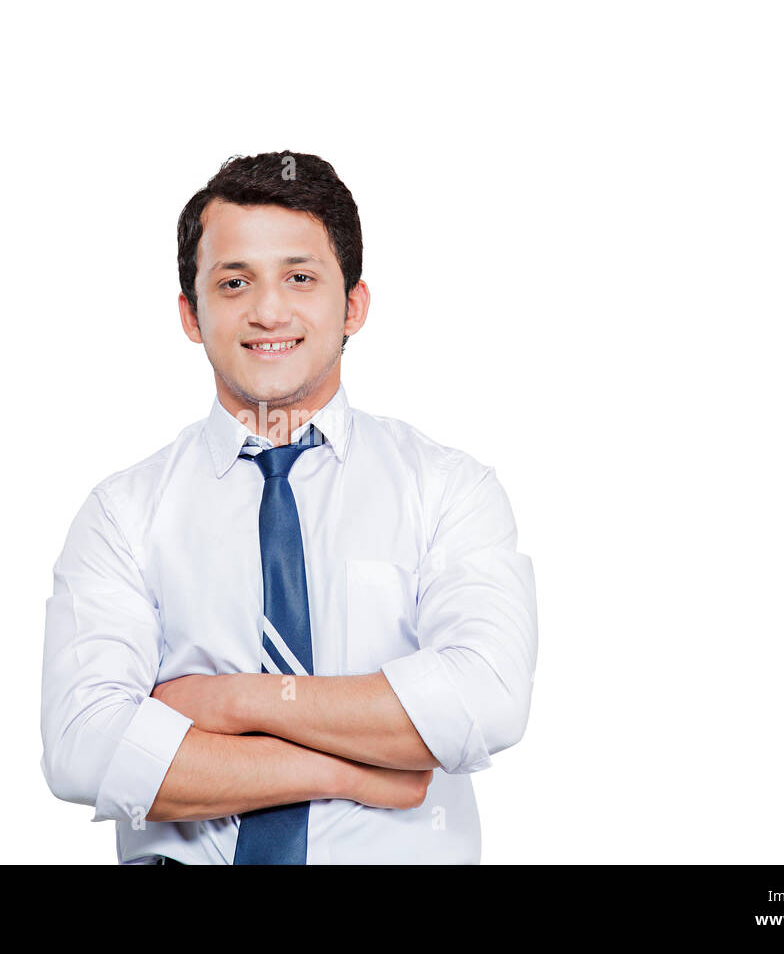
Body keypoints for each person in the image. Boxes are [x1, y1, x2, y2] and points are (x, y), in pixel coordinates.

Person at [39, 150, 538, 864]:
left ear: (353, 305)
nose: (268, 310)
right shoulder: (123, 515)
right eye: (234, 282)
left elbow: (485, 699)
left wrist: (228, 703)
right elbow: (86, 748)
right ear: (191, 313)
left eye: (300, 278)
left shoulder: (448, 490)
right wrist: (355, 770)